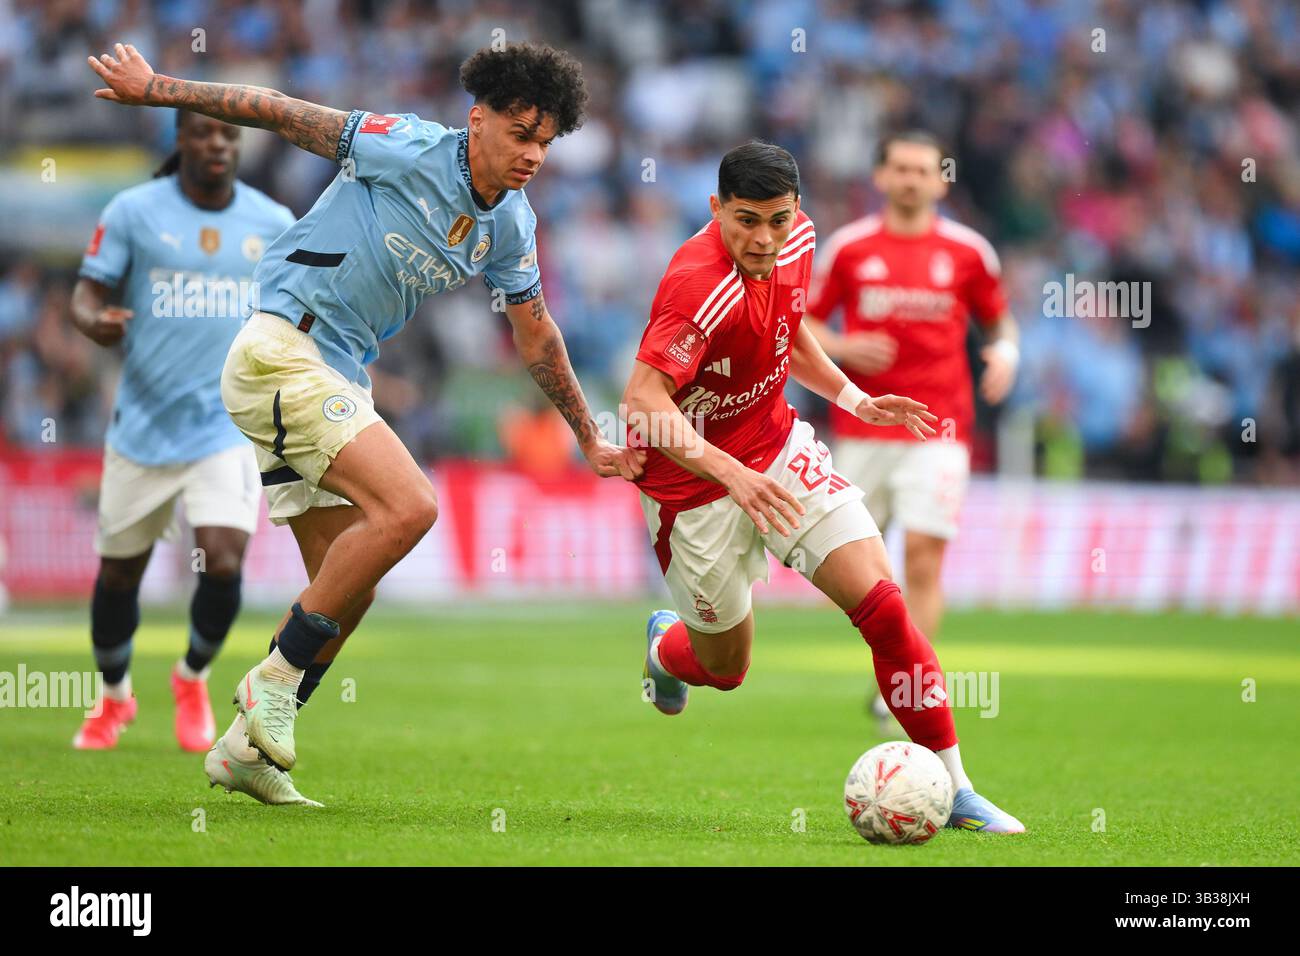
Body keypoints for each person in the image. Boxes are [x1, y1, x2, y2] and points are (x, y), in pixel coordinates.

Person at [87, 41, 641, 805]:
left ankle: (245, 750)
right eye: (520, 134)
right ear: (477, 121)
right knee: (411, 507)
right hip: (281, 348)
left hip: (332, 373)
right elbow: (280, 113)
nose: (534, 155)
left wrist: (586, 433)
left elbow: (537, 333)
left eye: (546, 141)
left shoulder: (511, 224)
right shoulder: (408, 146)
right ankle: (273, 680)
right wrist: (157, 91)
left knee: (348, 586)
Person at [625, 141, 1023, 833]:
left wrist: (852, 397)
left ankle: (955, 786)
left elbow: (789, 331)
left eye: (777, 220)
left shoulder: (801, 241)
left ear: (796, 213)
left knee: (886, 607)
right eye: (745, 220)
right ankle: (666, 650)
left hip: (778, 450)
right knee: (724, 668)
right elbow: (642, 402)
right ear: (716, 208)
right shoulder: (697, 284)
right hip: (692, 488)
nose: (763, 239)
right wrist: (732, 476)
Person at [70, 109, 296, 798]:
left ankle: (193, 678)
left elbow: (298, 307)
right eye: (204, 132)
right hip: (141, 430)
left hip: (225, 427)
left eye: (229, 134)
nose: (218, 144)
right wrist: (95, 322)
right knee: (117, 577)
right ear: (181, 138)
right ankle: (114, 694)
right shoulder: (135, 211)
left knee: (224, 557)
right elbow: (85, 293)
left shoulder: (274, 221)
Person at [804, 131, 1019, 731]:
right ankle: (895, 661)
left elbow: (1001, 326)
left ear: (941, 181)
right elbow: (803, 326)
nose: (910, 179)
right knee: (857, 566)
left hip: (939, 430)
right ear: (879, 177)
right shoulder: (848, 248)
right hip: (862, 426)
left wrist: (1006, 357)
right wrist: (846, 345)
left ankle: (906, 684)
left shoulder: (969, 252)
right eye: (899, 168)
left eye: (922, 170)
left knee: (923, 560)